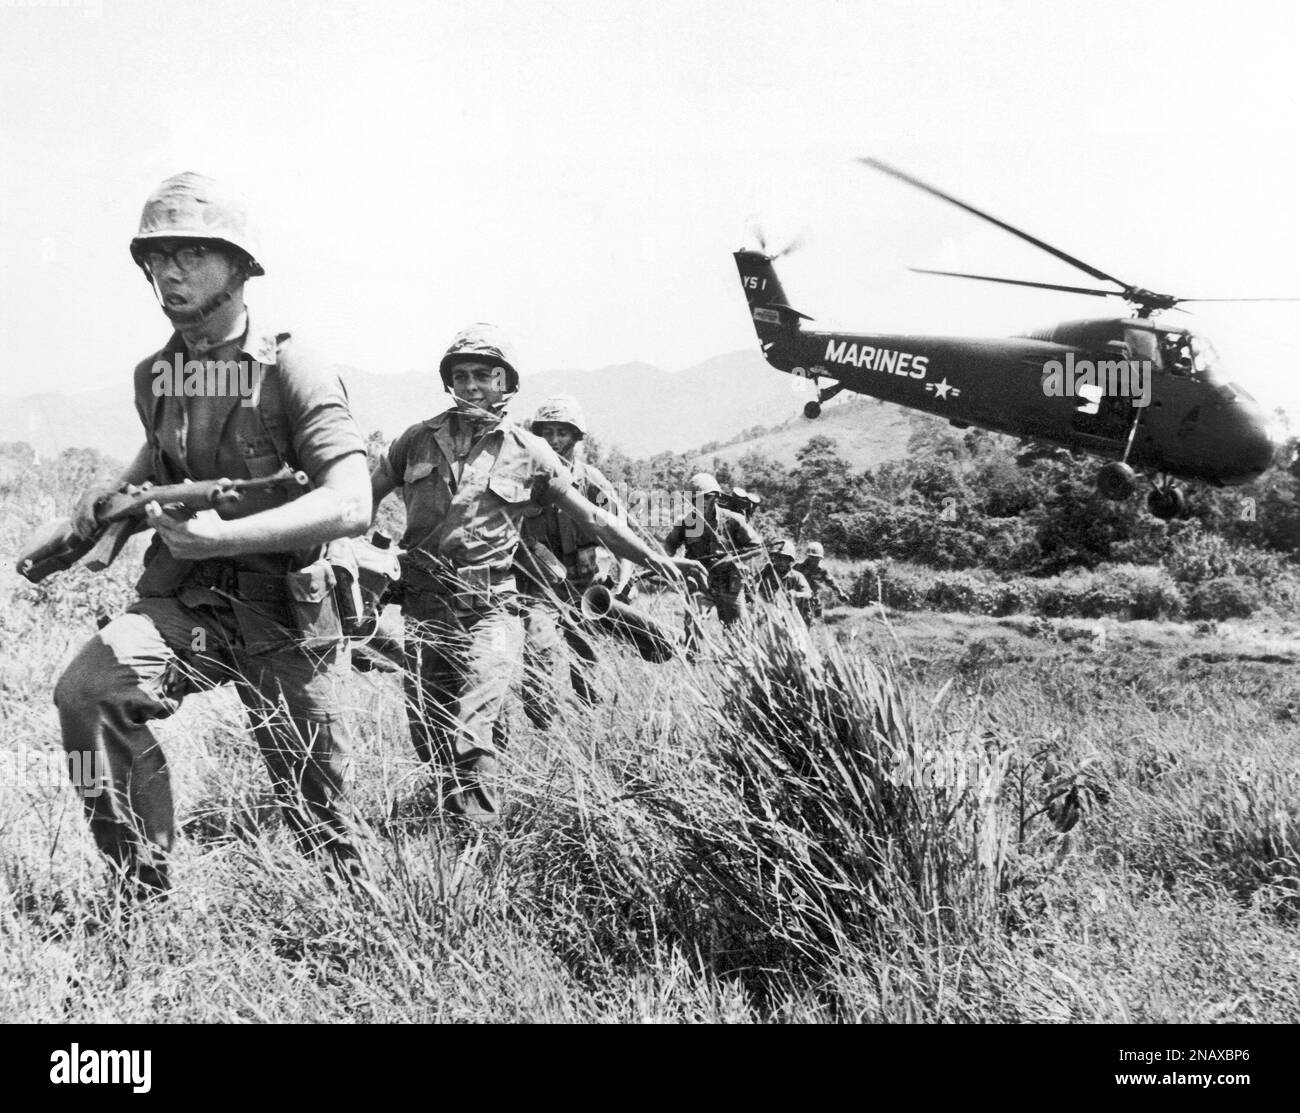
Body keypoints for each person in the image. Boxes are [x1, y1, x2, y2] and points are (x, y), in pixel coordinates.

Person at [53, 172, 374, 900]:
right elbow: (160, 462)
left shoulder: (294, 367)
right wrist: (108, 503)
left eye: (191, 254)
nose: (168, 272)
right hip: (188, 601)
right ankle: (139, 881)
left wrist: (224, 539)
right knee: (82, 696)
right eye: (156, 257)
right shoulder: (156, 374)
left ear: (239, 266)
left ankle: (361, 921)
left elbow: (352, 502)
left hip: (285, 613)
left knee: (321, 809)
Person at [369, 325, 704, 824]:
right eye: (460, 376)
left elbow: (596, 519)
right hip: (425, 604)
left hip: (492, 608)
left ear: (506, 384)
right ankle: (446, 817)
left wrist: (658, 561)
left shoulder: (531, 452)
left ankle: (479, 838)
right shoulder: (414, 441)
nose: (472, 385)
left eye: (485, 375)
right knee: (429, 725)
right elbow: (360, 500)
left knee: (473, 723)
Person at [516, 395, 634, 727]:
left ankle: (591, 725)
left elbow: (618, 529)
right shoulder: (525, 477)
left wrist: (622, 579)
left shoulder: (590, 478)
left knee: (587, 660)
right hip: (541, 586)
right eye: (548, 432)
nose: (554, 440)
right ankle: (545, 731)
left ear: (576, 437)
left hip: (587, 585)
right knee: (539, 651)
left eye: (562, 433)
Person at [663, 472, 762, 656]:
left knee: (739, 634)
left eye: (704, 498)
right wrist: (668, 563)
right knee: (694, 627)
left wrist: (732, 559)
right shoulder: (686, 523)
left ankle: (740, 665)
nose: (698, 503)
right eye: (693, 499)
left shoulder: (733, 520)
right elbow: (669, 546)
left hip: (729, 584)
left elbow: (757, 547)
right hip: (699, 583)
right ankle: (696, 662)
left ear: (715, 496)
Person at [757, 539, 814, 621]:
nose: (781, 562)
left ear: (790, 560)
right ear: (774, 558)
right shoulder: (767, 572)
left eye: (785, 559)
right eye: (778, 558)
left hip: (788, 613)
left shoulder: (797, 576)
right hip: (767, 610)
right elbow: (755, 588)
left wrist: (796, 594)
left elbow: (809, 594)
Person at [794, 541, 849, 620]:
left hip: (814, 599)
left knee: (816, 619)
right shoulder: (798, 567)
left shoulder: (822, 570)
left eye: (818, 558)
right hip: (799, 598)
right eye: (813, 557)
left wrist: (841, 594)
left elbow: (832, 583)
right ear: (808, 557)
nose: (815, 560)